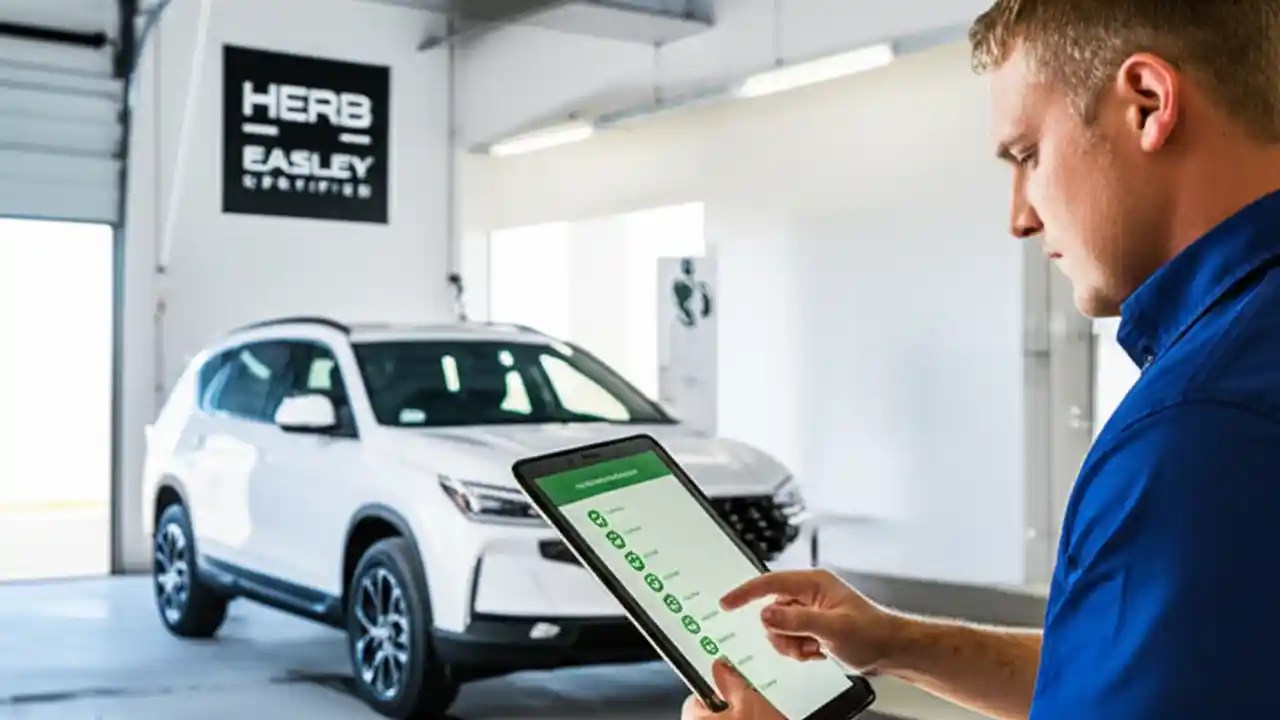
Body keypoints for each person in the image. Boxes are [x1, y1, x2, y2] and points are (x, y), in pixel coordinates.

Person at [684, 0, 1280, 718]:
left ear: (1148, 104)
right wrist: (892, 643)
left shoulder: (1199, 428)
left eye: (1028, 155)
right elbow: (1161, 671)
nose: (1019, 217)